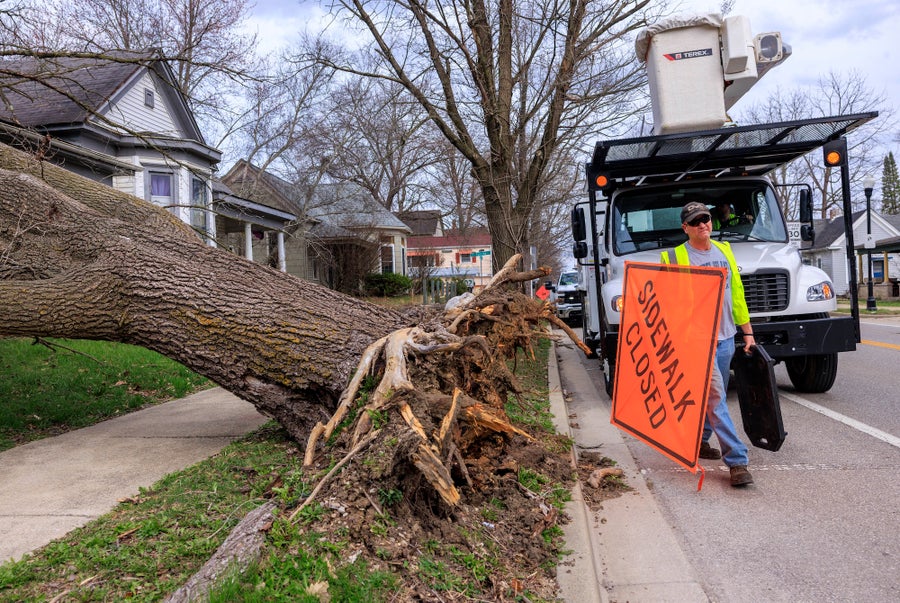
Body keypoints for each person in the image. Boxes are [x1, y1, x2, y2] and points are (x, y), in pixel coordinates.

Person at [661, 201, 756, 487]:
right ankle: (737, 461)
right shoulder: (674, 257)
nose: (703, 224)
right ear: (685, 228)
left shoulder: (724, 251)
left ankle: (700, 441)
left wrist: (747, 332)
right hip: (695, 341)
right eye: (696, 221)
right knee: (716, 397)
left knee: (711, 396)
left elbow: (736, 295)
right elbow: (666, 303)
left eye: (706, 219)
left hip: (726, 336)